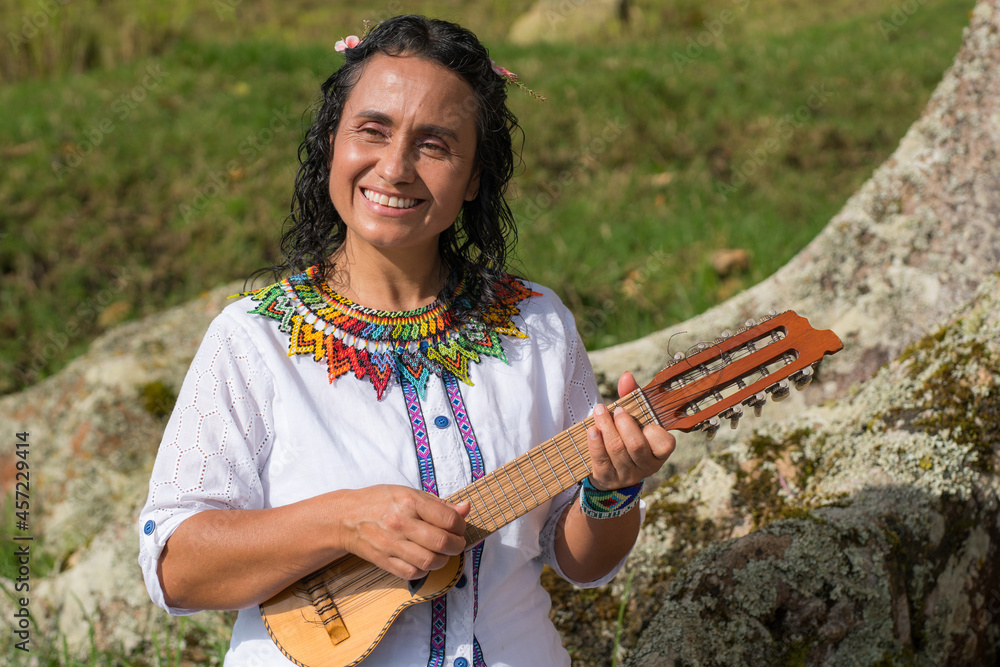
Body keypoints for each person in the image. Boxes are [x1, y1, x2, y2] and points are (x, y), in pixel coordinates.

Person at [138, 14, 675, 667]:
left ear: (475, 176)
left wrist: (613, 490)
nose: (393, 168)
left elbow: (580, 560)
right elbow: (176, 568)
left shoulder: (537, 325)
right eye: (372, 131)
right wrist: (342, 519)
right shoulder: (252, 339)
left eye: (435, 144)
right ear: (332, 143)